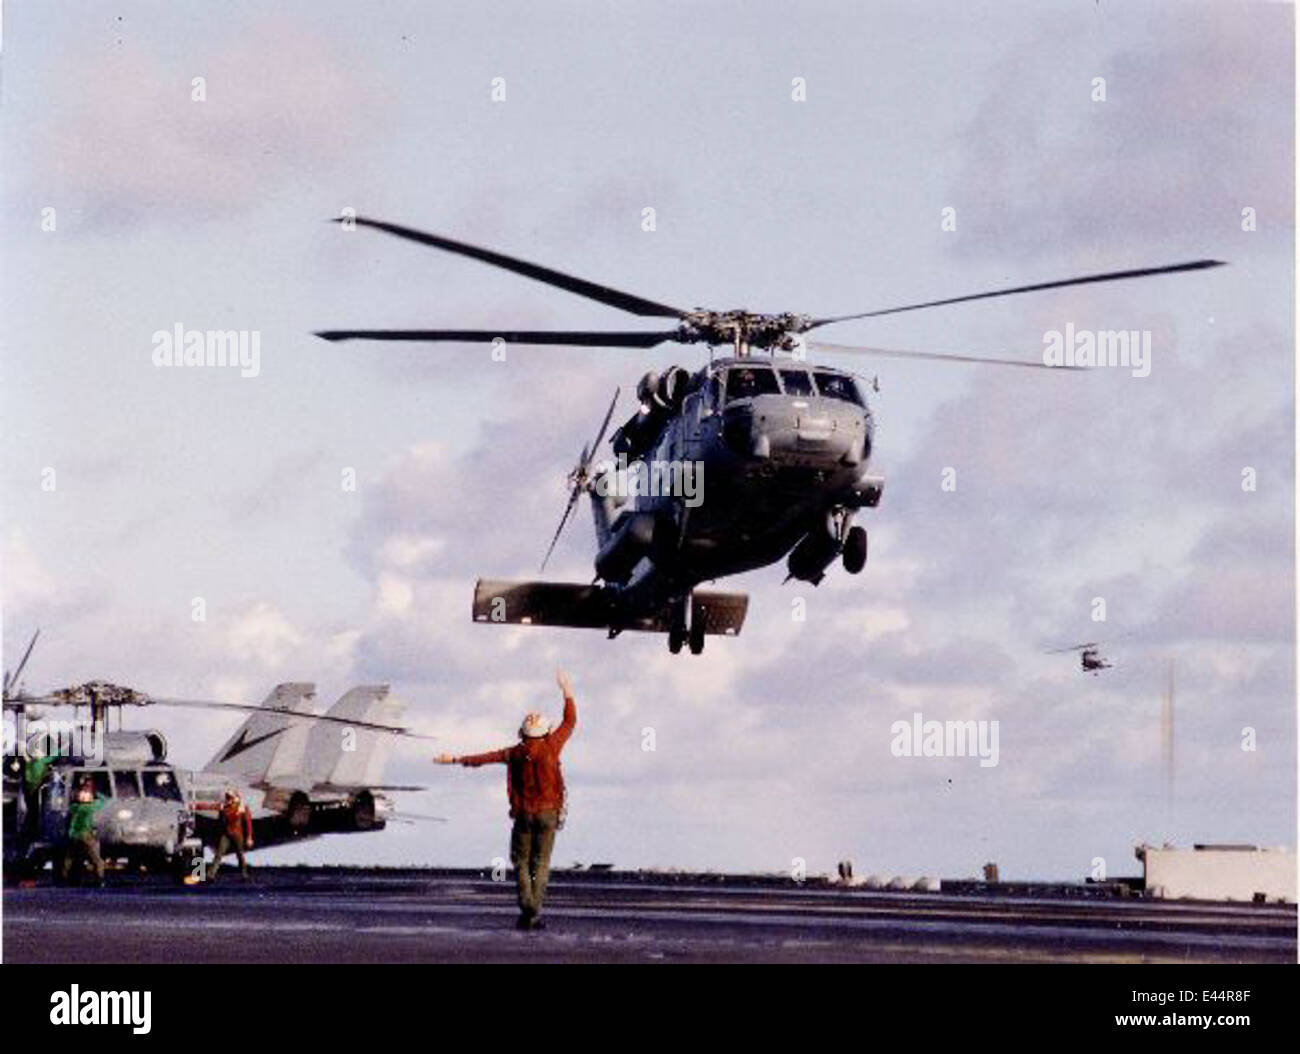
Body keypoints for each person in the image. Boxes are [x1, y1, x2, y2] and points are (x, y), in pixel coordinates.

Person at [436, 669, 577, 930]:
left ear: (523, 733)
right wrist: (567, 692)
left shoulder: (514, 753)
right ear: (545, 731)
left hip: (523, 814)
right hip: (549, 813)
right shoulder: (552, 745)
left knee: (521, 862)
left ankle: (529, 909)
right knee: (541, 862)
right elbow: (569, 722)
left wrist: (454, 759)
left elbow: (484, 758)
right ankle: (534, 911)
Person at [61, 776, 107, 886]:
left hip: (73, 835)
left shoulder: (74, 807)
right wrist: (96, 793)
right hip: (85, 835)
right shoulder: (90, 807)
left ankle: (64, 877)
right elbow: (104, 801)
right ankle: (100, 879)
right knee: (98, 860)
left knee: (70, 857)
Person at [200, 789, 254, 880]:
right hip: (227, 834)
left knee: (240, 854)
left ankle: (244, 873)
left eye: (229, 798)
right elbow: (210, 806)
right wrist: (195, 806)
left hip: (237, 834)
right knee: (219, 854)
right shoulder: (224, 807)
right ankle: (211, 874)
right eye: (227, 798)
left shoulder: (242, 808)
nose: (227, 800)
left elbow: (248, 823)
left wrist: (249, 837)